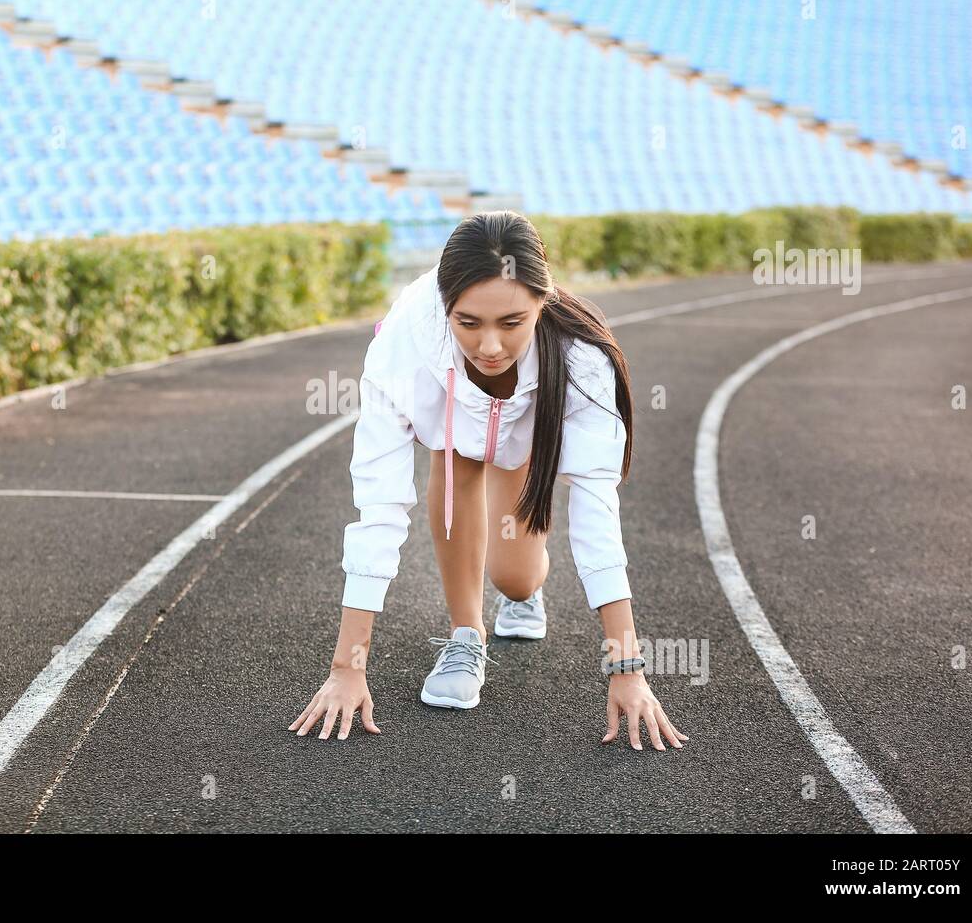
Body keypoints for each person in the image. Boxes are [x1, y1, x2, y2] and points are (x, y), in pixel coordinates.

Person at [290, 210, 688, 751]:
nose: (491, 346)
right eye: (469, 323)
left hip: (524, 436)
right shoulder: (403, 347)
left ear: (542, 305)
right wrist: (346, 666)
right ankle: (464, 635)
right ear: (445, 306)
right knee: (453, 461)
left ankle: (525, 595)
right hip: (453, 435)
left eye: (512, 323)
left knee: (517, 579)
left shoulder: (583, 361)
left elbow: (597, 514)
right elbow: (379, 508)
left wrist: (628, 668)